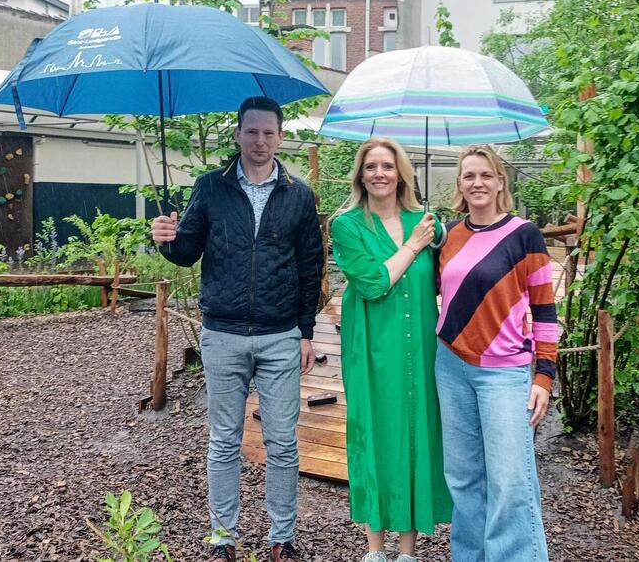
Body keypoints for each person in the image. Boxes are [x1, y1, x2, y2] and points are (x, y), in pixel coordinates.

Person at [152, 96, 323, 562]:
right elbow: (187, 251)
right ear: (237, 134)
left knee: (282, 441)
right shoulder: (210, 188)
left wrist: (306, 331)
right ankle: (223, 536)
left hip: (280, 334)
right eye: (252, 131)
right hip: (223, 334)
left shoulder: (299, 194)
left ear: (281, 136)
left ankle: (281, 537)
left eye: (269, 132)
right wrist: (166, 240)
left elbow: (311, 266)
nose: (260, 140)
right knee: (224, 440)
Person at [330, 138, 452, 562]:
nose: (379, 173)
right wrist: (413, 245)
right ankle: (375, 549)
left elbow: (449, 282)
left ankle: (407, 551)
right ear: (360, 175)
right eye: (370, 167)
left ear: (402, 172)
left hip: (419, 346)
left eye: (387, 165)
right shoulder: (346, 225)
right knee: (376, 432)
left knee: (416, 430)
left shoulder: (429, 223)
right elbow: (374, 283)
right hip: (371, 347)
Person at [434, 145, 556, 562]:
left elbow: (544, 309)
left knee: (510, 479)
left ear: (500, 181)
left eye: (486, 175)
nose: (477, 183)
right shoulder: (448, 235)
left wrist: (544, 375)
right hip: (450, 366)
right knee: (463, 477)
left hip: (504, 372)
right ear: (460, 185)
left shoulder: (525, 235)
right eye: (469, 176)